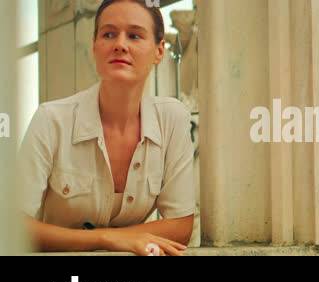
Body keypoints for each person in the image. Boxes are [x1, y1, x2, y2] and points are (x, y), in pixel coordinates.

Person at [18, 0, 195, 256]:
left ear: (159, 51)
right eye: (108, 34)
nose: (120, 44)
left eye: (134, 35)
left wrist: (112, 239)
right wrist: (108, 240)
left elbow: (180, 226)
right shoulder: (51, 120)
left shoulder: (172, 118)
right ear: (95, 46)